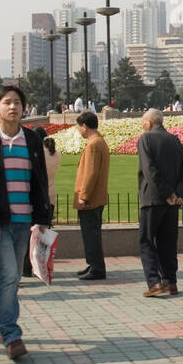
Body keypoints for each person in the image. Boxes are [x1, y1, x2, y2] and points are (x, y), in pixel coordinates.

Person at [0, 85, 53, 362]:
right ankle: (10, 333)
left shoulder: (30, 140)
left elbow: (39, 180)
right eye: (7, 102)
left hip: (24, 219)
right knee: (8, 275)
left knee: (13, 276)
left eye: (17, 102)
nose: (13, 107)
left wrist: (42, 219)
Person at [135, 108, 183, 297]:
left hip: (152, 199)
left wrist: (167, 193)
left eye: (143, 121)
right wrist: (177, 194)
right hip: (172, 203)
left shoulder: (145, 139)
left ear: (149, 123)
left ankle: (154, 283)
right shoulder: (174, 140)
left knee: (147, 240)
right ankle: (170, 282)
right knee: (168, 242)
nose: (142, 124)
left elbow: (150, 171)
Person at [74, 111, 109, 280]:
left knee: (90, 234)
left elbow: (91, 173)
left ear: (84, 126)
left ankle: (96, 268)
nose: (79, 131)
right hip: (97, 197)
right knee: (92, 233)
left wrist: (84, 196)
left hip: (91, 198)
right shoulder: (99, 141)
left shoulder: (93, 144)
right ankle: (93, 264)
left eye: (79, 127)